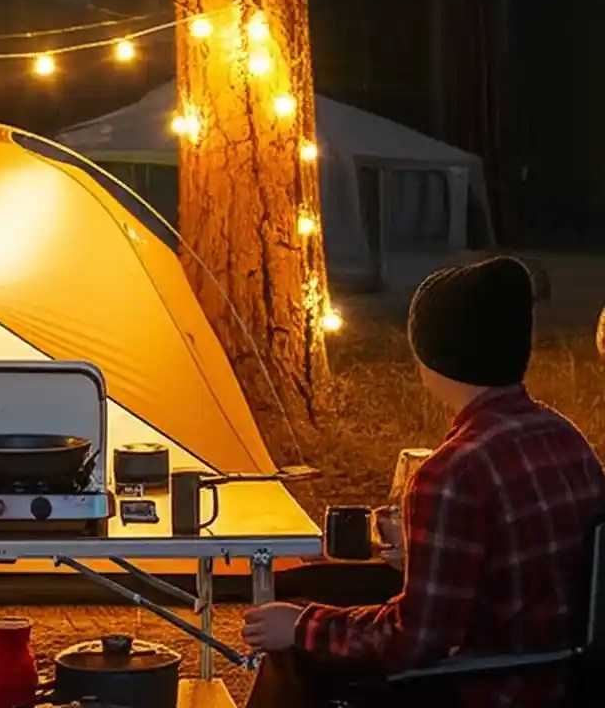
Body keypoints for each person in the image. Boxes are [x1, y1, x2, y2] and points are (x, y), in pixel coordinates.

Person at [242, 256, 605, 707]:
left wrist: (300, 626)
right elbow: (528, 567)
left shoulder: (453, 472)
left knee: (295, 652)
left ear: (434, 355)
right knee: (322, 590)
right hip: (563, 674)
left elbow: (414, 641)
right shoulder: (565, 438)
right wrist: (421, 552)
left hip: (488, 684)